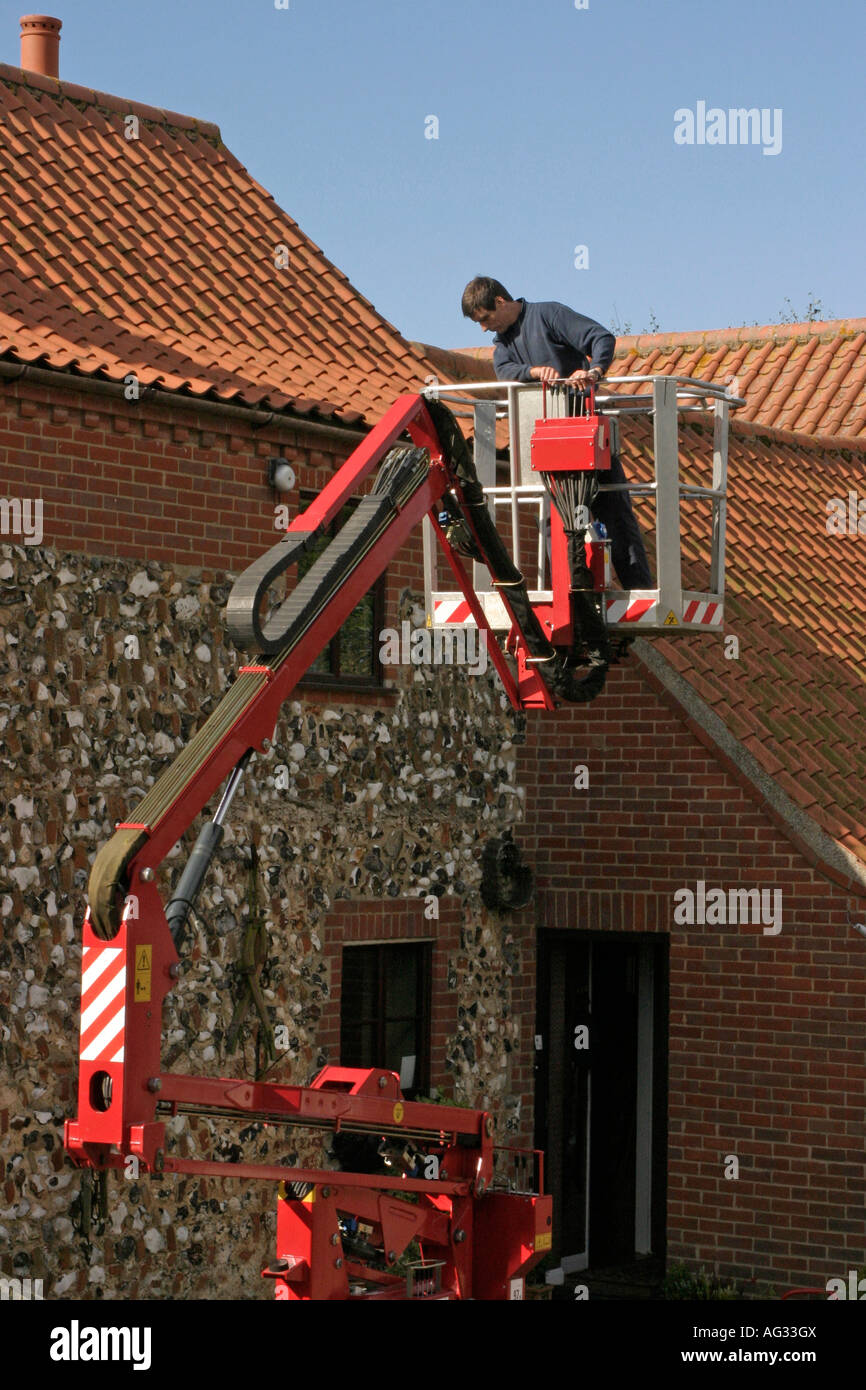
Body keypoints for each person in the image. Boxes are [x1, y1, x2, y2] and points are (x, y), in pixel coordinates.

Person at [461, 277, 652, 590]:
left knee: (615, 513)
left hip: (586, 432)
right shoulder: (503, 345)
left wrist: (593, 372)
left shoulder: (548, 315)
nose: (483, 328)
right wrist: (533, 372)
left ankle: (640, 590)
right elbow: (505, 370)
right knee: (556, 520)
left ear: (499, 302)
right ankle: (571, 591)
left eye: (485, 318)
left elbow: (601, 337)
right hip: (548, 443)